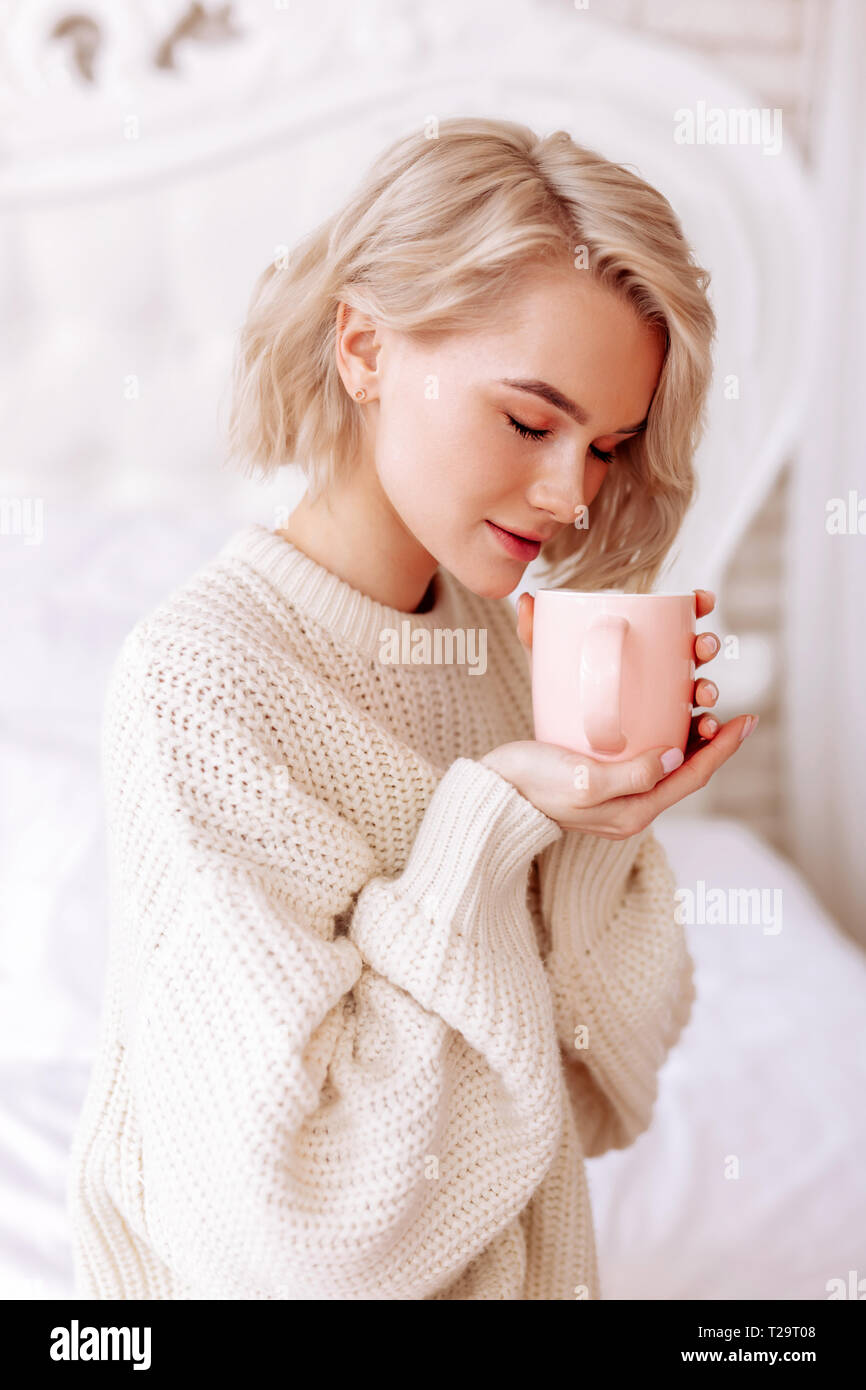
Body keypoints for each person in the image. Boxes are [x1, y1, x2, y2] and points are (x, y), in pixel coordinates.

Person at [67, 116, 756, 1301]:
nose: (569, 497)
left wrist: (601, 817)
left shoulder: (496, 647)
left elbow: (602, 1087)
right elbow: (309, 1238)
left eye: (607, 447)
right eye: (530, 422)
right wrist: (486, 821)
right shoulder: (199, 682)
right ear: (364, 347)